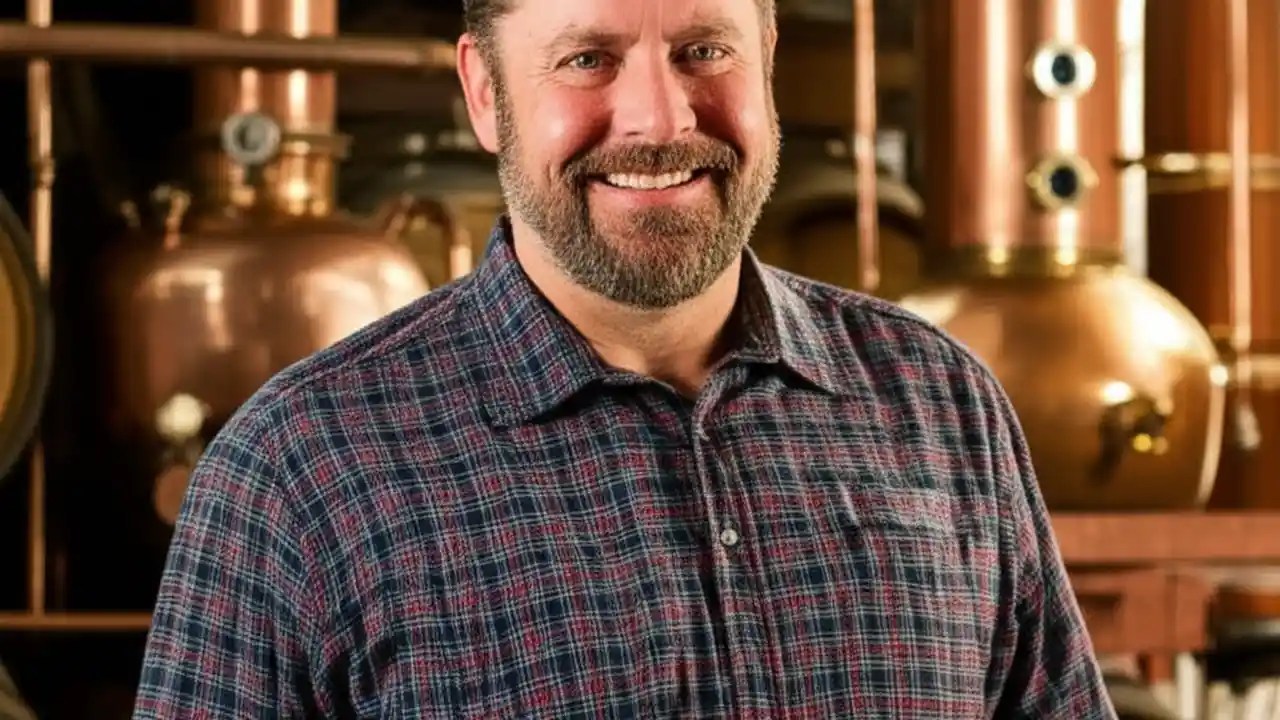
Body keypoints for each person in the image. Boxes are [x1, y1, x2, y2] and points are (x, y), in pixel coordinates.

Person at [132, 0, 1118, 716]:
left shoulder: (937, 402)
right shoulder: (298, 472)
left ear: (765, 57)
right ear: (483, 92)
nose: (659, 119)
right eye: (587, 59)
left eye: (702, 49)